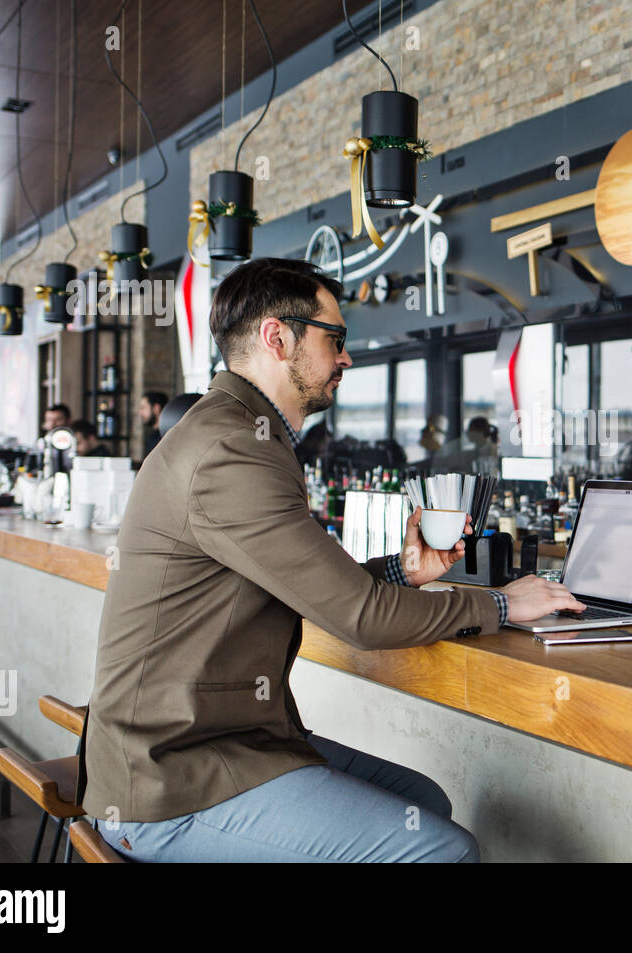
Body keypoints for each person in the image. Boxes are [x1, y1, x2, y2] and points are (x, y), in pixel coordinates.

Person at [77, 257, 584, 862]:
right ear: (277, 337)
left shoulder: (239, 433)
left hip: (222, 745)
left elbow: (313, 588)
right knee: (441, 850)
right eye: (334, 339)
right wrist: (502, 604)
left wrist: (402, 571)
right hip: (171, 781)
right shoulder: (232, 450)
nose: (346, 359)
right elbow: (361, 618)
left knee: (424, 802)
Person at [139, 391, 169, 457]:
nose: (140, 412)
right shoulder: (153, 437)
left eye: (143, 407)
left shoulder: (164, 437)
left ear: (156, 408)